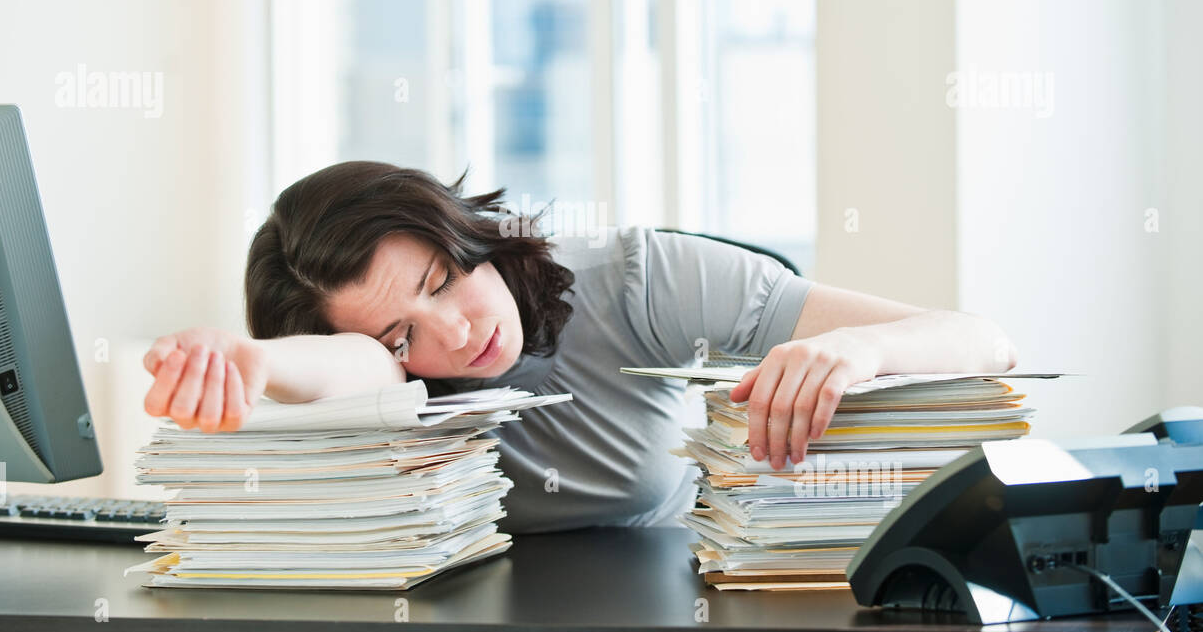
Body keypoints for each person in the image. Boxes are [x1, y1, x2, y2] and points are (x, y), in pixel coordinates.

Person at [142, 160, 1018, 533]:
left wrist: (859, 352)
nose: (456, 332)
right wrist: (256, 364)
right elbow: (355, 369)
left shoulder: (637, 276)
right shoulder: (376, 371)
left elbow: (984, 340)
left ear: (469, 231)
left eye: (444, 279)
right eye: (404, 333)